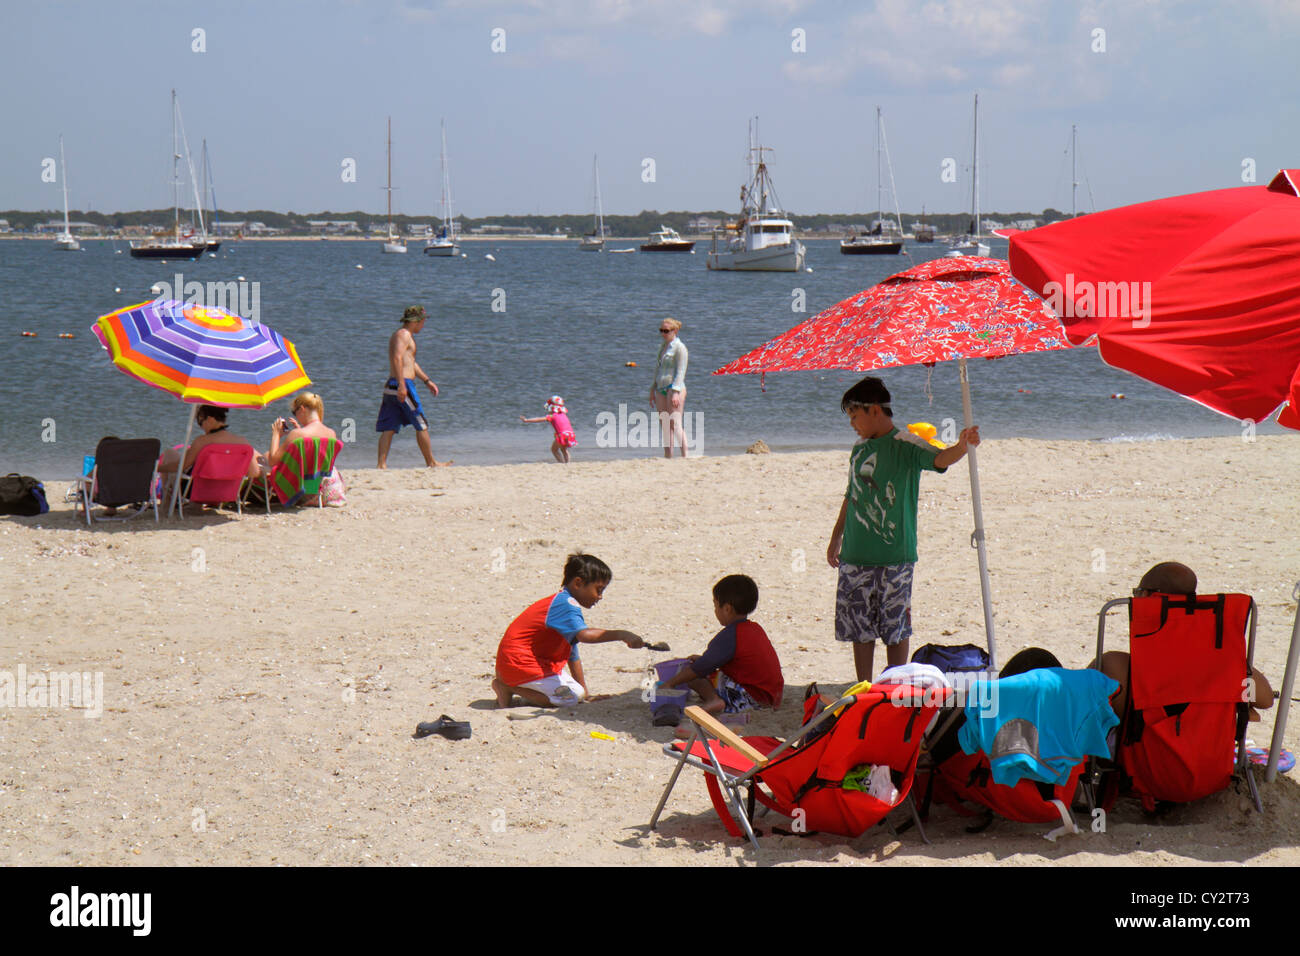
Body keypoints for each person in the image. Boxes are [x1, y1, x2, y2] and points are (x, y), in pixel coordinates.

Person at [826, 376, 981, 682]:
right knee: (860, 628)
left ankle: (896, 684)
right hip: (855, 555)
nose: (852, 424)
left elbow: (939, 459)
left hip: (895, 555)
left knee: (895, 628)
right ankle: (865, 686)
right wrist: (836, 536)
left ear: (874, 411)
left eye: (854, 416)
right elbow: (851, 494)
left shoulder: (905, 444)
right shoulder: (858, 450)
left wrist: (962, 446)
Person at [1096, 561, 1275, 721]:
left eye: (1137, 593)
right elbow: (1265, 700)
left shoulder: (1116, 665)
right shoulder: (1222, 665)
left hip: (1140, 756)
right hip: (1208, 757)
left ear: (1147, 596)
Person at [493, 553, 645, 708]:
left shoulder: (563, 602)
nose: (600, 597)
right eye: (598, 590)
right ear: (578, 583)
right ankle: (507, 686)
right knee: (570, 698)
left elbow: (573, 653)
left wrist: (586, 694)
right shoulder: (566, 604)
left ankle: (514, 687)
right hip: (520, 664)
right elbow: (585, 636)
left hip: (525, 664)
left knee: (578, 693)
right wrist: (621, 634)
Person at [657, 574, 784, 718]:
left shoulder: (730, 635)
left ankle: (713, 700)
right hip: (771, 697)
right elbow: (740, 661)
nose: (715, 610)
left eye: (715, 605)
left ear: (727, 609)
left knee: (691, 676)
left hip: (748, 699)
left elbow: (700, 668)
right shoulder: (755, 629)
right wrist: (703, 660)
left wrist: (669, 683)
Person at [376, 306, 450, 468]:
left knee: (389, 426)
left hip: (394, 385)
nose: (424, 325)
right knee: (421, 422)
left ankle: (381, 465)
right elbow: (397, 359)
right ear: (416, 321)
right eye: (423, 321)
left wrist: (427, 381)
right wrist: (402, 386)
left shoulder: (406, 336)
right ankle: (431, 462)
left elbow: (410, 362)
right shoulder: (403, 335)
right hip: (401, 384)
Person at [158, 405, 261, 480]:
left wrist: (156, 468)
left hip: (196, 491)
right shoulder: (243, 442)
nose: (200, 426)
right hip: (227, 491)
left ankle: (166, 504)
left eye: (200, 421)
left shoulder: (202, 441)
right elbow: (255, 472)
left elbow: (180, 467)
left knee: (169, 453)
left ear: (210, 420)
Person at [265, 391, 337, 470]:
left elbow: (272, 461)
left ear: (302, 409)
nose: (296, 417)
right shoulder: (331, 433)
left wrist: (276, 434)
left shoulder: (297, 434)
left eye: (294, 412)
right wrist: (300, 430)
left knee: (266, 456)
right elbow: (313, 457)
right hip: (315, 481)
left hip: (293, 481)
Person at [649, 317, 689, 458]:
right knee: (665, 424)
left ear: (675, 331)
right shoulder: (663, 347)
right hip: (661, 387)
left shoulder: (680, 347)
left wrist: (676, 392)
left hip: (674, 387)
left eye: (666, 331)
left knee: (675, 423)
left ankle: (685, 455)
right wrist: (652, 389)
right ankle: (668, 456)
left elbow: (681, 370)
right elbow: (657, 369)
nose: (663, 334)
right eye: (661, 331)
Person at [519, 395, 577, 464]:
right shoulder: (564, 415)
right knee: (564, 450)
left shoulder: (552, 416)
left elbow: (538, 419)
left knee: (554, 450)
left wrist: (526, 420)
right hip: (570, 434)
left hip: (562, 435)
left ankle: (561, 463)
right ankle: (567, 463)